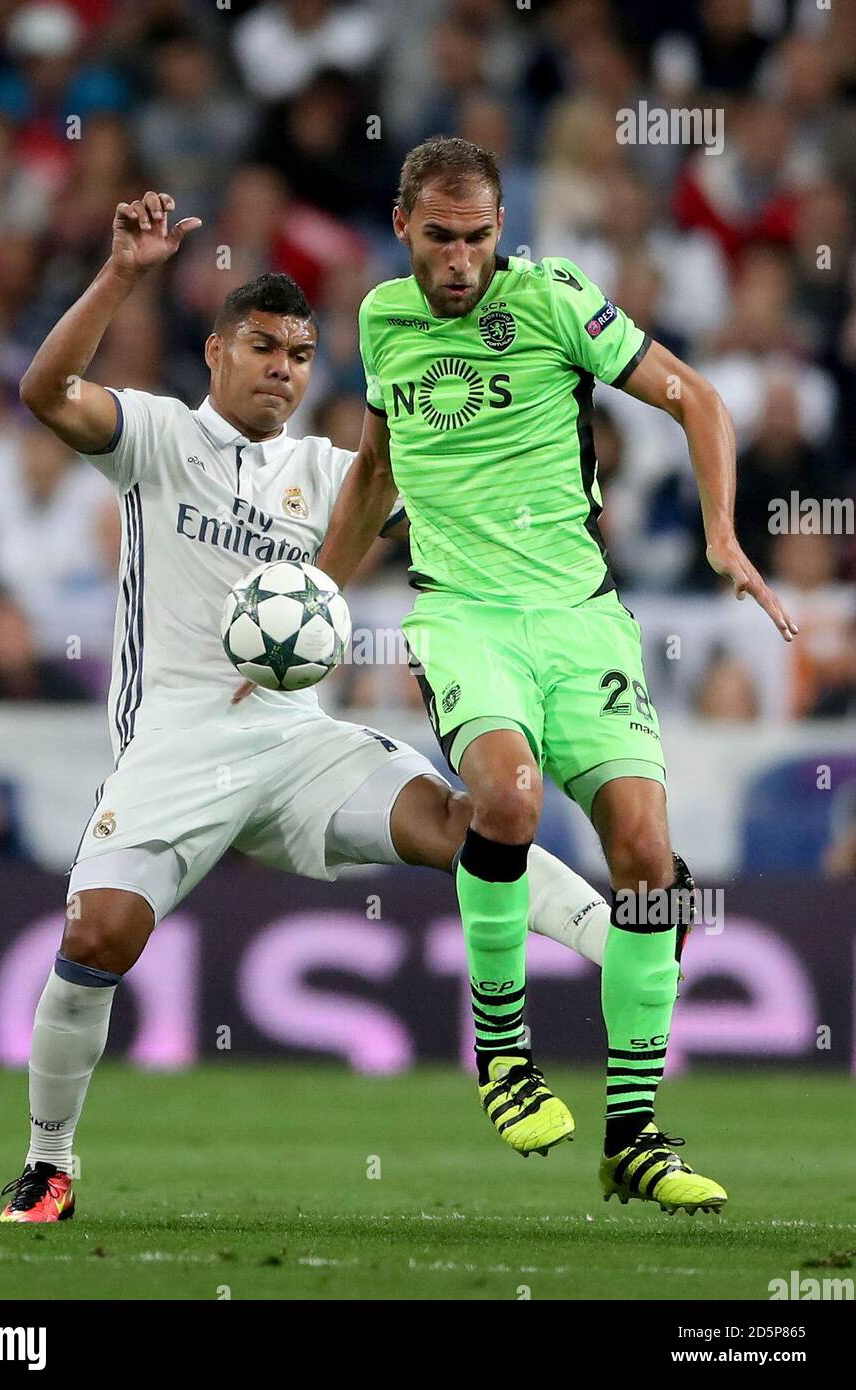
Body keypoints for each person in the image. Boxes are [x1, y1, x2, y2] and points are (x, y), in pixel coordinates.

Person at [0, 189, 650, 1224]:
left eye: (300, 355)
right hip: (177, 741)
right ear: (216, 353)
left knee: (467, 819)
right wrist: (124, 274)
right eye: (261, 347)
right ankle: (48, 1161)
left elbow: (463, 492)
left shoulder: (334, 470)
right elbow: (46, 390)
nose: (282, 370)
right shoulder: (158, 438)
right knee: (98, 940)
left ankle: (627, 945)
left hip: (297, 744)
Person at [317, 137, 798, 1215]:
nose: (458, 259)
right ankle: (502, 1050)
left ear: (501, 230)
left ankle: (633, 1135)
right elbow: (371, 479)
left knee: (644, 855)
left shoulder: (552, 301)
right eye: (437, 237)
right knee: (506, 797)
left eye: (477, 237)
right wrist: (312, 601)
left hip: (582, 623)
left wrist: (721, 535)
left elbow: (698, 401)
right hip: (463, 616)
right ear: (403, 229)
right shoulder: (381, 321)